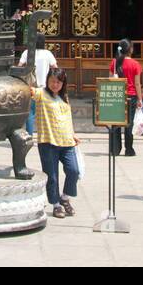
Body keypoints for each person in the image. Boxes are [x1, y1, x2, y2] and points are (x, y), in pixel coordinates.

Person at [33, 66, 80, 219]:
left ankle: (65, 197)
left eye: (59, 82)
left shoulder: (64, 97)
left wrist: (73, 134)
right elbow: (26, 90)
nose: (55, 85)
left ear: (63, 83)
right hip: (48, 141)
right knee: (52, 176)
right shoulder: (41, 94)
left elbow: (68, 118)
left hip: (67, 141)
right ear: (47, 81)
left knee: (73, 170)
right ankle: (56, 204)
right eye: (52, 81)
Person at [108, 39, 142, 157]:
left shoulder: (114, 62)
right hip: (131, 95)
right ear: (130, 49)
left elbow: (110, 79)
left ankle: (115, 149)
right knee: (129, 123)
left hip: (117, 94)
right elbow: (137, 83)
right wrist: (140, 99)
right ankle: (129, 149)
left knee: (116, 122)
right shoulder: (135, 64)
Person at [17, 41, 57, 134]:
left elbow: (19, 66)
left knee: (30, 113)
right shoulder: (47, 53)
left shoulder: (27, 52)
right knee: (46, 113)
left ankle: (29, 136)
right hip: (44, 87)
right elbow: (55, 67)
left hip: (30, 87)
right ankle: (46, 135)